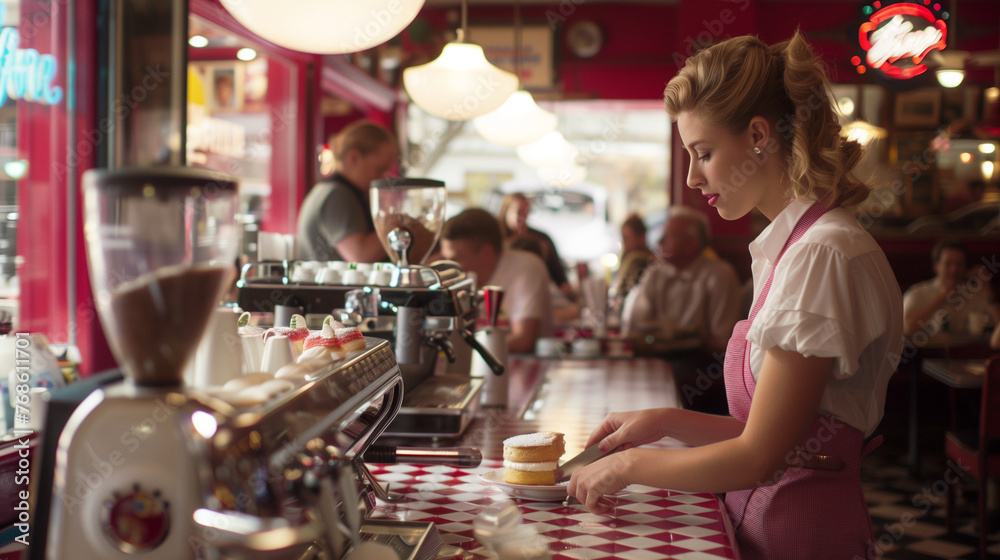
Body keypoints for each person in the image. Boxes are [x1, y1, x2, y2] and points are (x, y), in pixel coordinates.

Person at [567, 32, 904, 560]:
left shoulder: (822, 255)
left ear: (758, 137)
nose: (692, 175)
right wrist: (665, 421)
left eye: (703, 153)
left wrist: (628, 467)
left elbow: (759, 458)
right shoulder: (795, 247)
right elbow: (779, 435)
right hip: (766, 525)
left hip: (804, 539)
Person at [620, 207, 741, 354]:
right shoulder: (655, 273)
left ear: (691, 245)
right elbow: (636, 327)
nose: (660, 241)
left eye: (669, 235)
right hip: (656, 358)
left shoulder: (719, 275)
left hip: (698, 365)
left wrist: (689, 339)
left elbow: (724, 342)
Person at [441, 208, 552, 354]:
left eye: (455, 259)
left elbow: (523, 340)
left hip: (522, 370)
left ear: (487, 252)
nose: (449, 266)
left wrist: (461, 350)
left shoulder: (526, 267)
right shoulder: (465, 276)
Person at [296, 120, 396, 262]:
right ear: (353, 157)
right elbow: (359, 255)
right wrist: (396, 222)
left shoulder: (328, 190)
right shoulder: (338, 195)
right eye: (379, 169)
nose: (383, 178)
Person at [902, 240, 999, 337]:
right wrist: (943, 298)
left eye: (959, 264)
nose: (954, 270)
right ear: (936, 266)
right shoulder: (918, 293)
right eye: (948, 264)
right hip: (929, 350)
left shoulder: (974, 293)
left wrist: (987, 289)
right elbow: (908, 328)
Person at [498, 193, 574, 301]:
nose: (523, 218)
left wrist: (570, 296)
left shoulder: (542, 239)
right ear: (506, 211)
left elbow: (558, 275)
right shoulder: (497, 241)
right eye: (519, 212)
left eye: (527, 212)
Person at [613, 214, 654, 300]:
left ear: (641, 237)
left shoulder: (638, 260)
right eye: (623, 238)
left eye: (626, 238)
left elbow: (622, 294)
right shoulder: (629, 257)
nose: (624, 243)